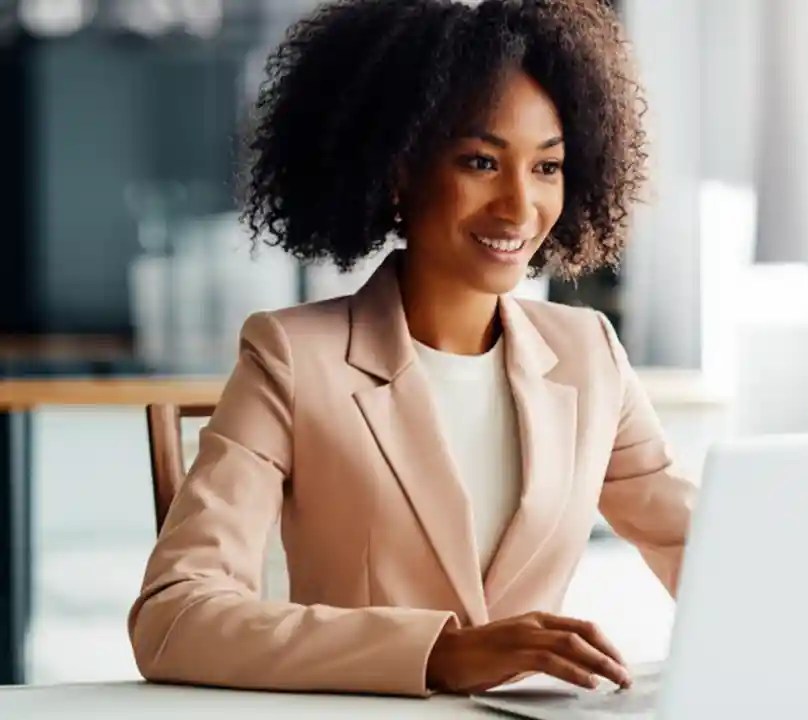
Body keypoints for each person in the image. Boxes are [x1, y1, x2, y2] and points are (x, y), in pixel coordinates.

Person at [127, 0, 695, 698]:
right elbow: (175, 617)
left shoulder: (589, 353)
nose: (519, 206)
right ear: (398, 169)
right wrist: (438, 654)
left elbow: (704, 550)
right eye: (481, 162)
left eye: (547, 167)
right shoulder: (292, 358)